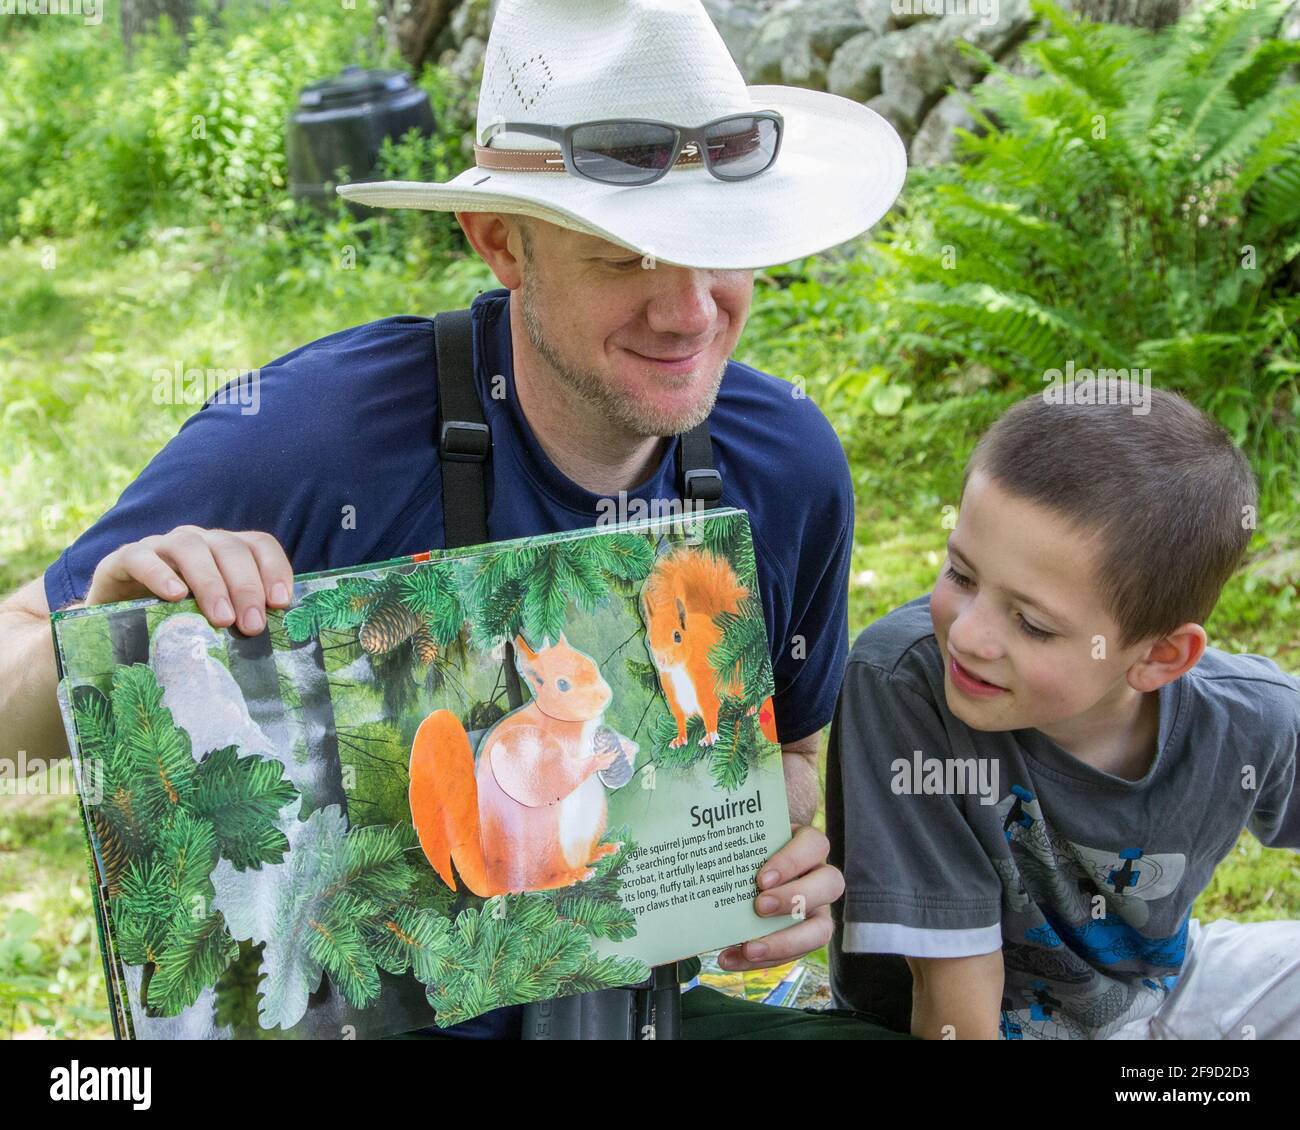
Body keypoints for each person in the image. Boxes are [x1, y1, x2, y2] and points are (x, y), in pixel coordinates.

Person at [0, 0, 909, 1039]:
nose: (690, 311)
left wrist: (772, 851)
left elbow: (790, 749)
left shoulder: (786, 464)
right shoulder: (314, 435)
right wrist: (111, 626)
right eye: (626, 256)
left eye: (720, 244)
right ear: (501, 243)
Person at [826, 378, 1300, 1040]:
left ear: (1161, 656)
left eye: (1031, 623)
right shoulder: (906, 685)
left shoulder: (1252, 719)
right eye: (961, 575)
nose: (966, 635)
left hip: (1157, 999)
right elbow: (950, 997)